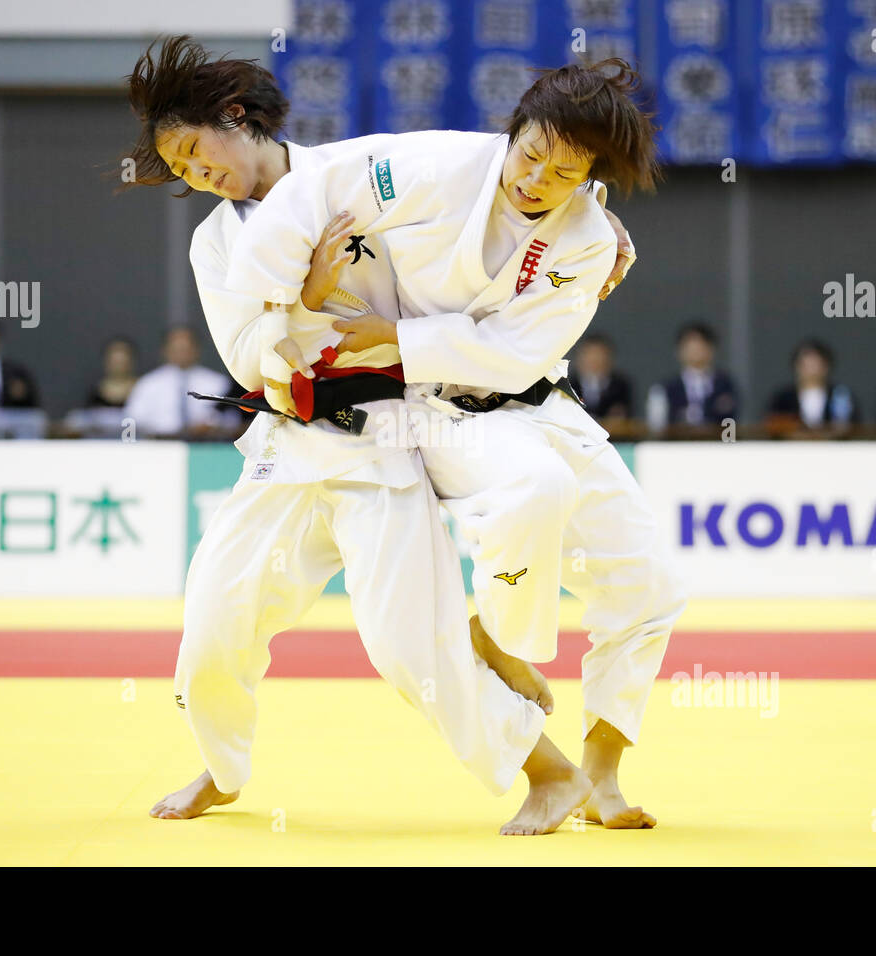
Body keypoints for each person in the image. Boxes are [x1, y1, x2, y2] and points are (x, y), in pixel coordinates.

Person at [127, 36, 611, 835]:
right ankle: (220, 767)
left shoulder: (362, 181)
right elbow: (252, 362)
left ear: (233, 116)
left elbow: (499, 187)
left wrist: (602, 231)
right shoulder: (215, 243)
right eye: (177, 171)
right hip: (286, 446)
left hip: (382, 436)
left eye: (190, 150)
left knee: (407, 647)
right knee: (214, 618)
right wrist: (303, 292)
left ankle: (549, 770)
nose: (192, 173)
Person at [226, 59, 687, 829]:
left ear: (589, 177)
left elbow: (514, 355)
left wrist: (400, 337)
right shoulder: (438, 164)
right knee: (534, 491)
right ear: (512, 133)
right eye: (530, 154)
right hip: (442, 411)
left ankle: (600, 776)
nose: (535, 179)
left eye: (563, 172)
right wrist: (270, 306)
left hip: (539, 399)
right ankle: (502, 640)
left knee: (649, 589)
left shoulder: (589, 241)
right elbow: (315, 186)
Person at [121, 325, 241, 435]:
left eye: (186, 348)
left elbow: (233, 419)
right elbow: (131, 420)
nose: (182, 353)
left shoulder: (218, 383)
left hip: (207, 446)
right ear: (165, 350)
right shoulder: (148, 384)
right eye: (177, 348)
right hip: (158, 447)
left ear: (197, 350)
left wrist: (213, 425)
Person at [650, 320, 739, 427]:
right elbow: (657, 427)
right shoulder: (667, 387)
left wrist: (726, 442)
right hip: (677, 442)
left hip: (717, 441)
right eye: (690, 346)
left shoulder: (725, 385)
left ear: (711, 349)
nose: (695, 351)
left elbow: (731, 423)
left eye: (701, 345)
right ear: (679, 351)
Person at [766, 339, 857, 429]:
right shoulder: (783, 398)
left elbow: (852, 425)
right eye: (806, 364)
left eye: (816, 364)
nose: (811, 369)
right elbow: (773, 425)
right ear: (796, 366)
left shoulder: (840, 395)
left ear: (826, 366)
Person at [568, 333, 633, 422]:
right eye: (589, 355)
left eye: (599, 356)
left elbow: (624, 417)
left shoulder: (620, 386)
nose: (594, 362)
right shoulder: (568, 385)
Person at [86, 336, 138, 408]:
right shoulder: (95, 393)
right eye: (115, 362)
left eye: (122, 362)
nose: (118, 366)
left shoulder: (143, 390)